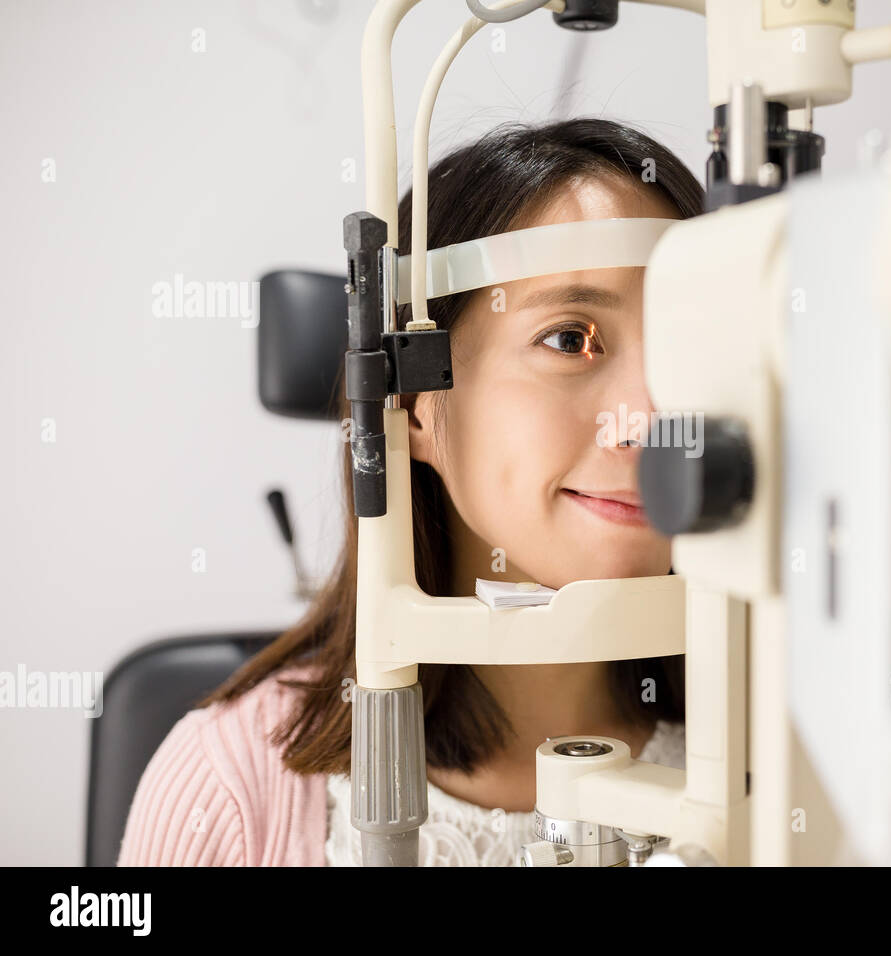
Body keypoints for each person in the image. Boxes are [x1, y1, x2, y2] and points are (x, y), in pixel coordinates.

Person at [117, 117, 699, 866]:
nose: (649, 419)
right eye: (569, 338)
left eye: (688, 344)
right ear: (411, 400)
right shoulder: (230, 793)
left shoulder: (782, 762)